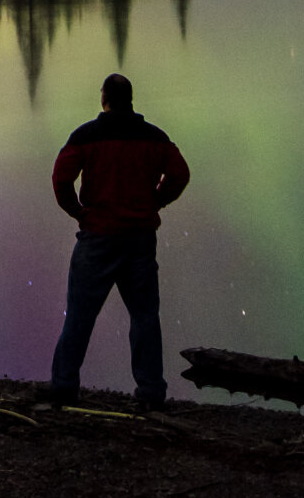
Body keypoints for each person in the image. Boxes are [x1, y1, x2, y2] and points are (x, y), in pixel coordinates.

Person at [46, 71, 190, 407]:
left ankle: (64, 387)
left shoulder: (86, 136)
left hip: (97, 238)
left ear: (104, 99)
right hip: (139, 239)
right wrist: (157, 200)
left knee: (80, 315)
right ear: (130, 99)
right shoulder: (154, 137)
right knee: (144, 316)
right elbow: (180, 174)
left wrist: (78, 212)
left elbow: (60, 178)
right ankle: (151, 391)